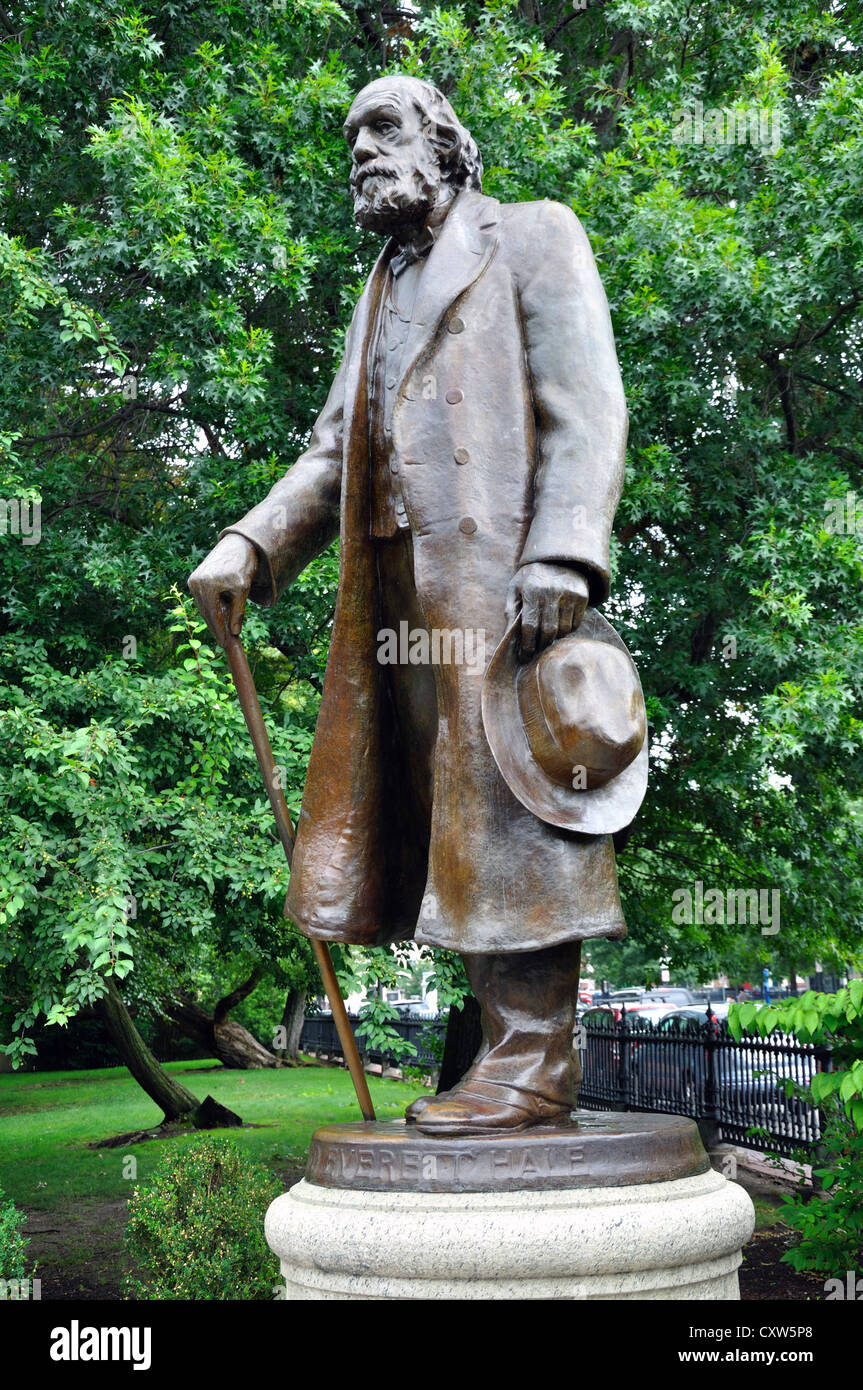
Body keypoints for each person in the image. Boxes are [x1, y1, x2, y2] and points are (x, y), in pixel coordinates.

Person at [189, 75, 641, 1136]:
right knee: (450, 823)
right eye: (349, 135)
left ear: (444, 143)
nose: (359, 149)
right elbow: (329, 450)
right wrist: (249, 543)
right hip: (396, 599)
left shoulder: (529, 236)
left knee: (519, 800)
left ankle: (534, 1060)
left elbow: (590, 403)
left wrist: (565, 553)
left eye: (381, 126)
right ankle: (502, 1054)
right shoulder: (378, 290)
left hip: (501, 591)